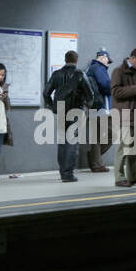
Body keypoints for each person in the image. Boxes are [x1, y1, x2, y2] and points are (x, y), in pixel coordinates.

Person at [42, 50, 96, 183]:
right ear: (76, 60)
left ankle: (63, 172)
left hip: (61, 111)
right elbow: (91, 95)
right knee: (72, 142)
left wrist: (52, 106)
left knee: (62, 142)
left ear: (65, 60)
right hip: (76, 111)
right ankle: (68, 174)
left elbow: (45, 93)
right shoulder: (80, 75)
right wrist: (86, 107)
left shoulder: (56, 74)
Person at [110, 47, 136, 188]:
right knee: (124, 147)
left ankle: (133, 176)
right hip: (124, 114)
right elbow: (116, 92)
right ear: (132, 58)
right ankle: (119, 177)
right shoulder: (118, 71)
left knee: (135, 148)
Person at [85, 50, 113, 173]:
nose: (108, 64)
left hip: (92, 106)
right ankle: (95, 161)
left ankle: (95, 161)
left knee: (96, 137)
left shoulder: (90, 69)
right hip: (101, 107)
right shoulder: (99, 68)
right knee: (112, 134)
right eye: (108, 61)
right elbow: (106, 85)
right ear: (102, 58)